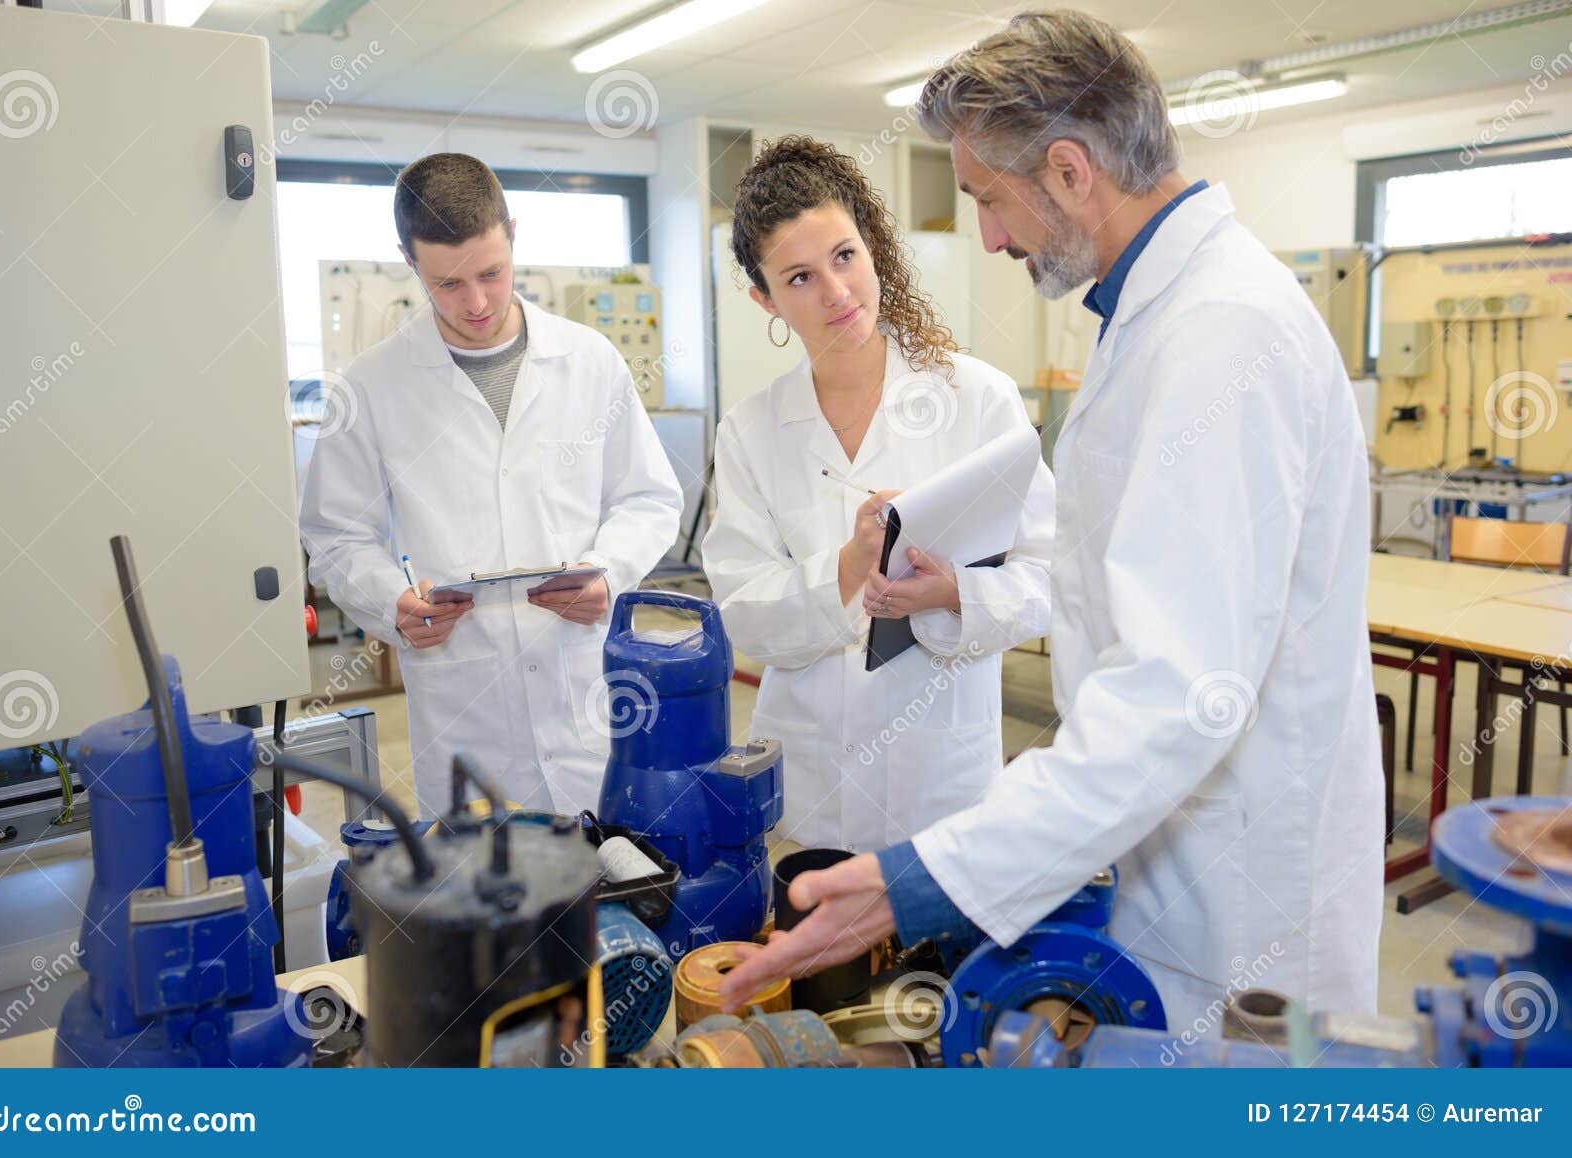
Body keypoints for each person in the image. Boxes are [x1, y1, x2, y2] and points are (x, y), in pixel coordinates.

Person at [721, 10, 1384, 1035]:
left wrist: (930, 875)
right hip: (1165, 842)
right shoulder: (1158, 318)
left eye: (987, 196)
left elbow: (1174, 690)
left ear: (1070, 172)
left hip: (1241, 899)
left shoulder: (1217, 335)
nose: (985, 232)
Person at [299, 153, 682, 818]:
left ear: (513, 233)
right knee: (483, 904)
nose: (475, 302)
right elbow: (335, 538)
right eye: (447, 284)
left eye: (491, 273)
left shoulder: (589, 362)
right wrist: (392, 601)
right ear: (408, 260)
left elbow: (648, 498)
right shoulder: (371, 386)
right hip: (463, 709)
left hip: (581, 695)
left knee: (602, 891)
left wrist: (607, 573)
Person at [701, 135, 1054, 854]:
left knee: (937, 961)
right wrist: (850, 566)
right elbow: (743, 617)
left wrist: (952, 593)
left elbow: (1049, 576)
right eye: (798, 278)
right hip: (812, 785)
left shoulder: (976, 398)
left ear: (872, 249)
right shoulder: (750, 432)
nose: (835, 292)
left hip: (943, 775)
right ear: (762, 298)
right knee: (824, 960)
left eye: (844, 257)